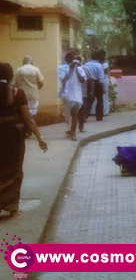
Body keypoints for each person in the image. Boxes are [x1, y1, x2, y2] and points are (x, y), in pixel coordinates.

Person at [0, 62, 47, 219]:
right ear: (10, 76)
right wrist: (39, 138)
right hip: (13, 138)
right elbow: (27, 118)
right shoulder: (17, 93)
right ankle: (12, 208)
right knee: (15, 170)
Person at [58, 52, 86, 141]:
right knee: (68, 115)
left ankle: (73, 133)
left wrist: (77, 71)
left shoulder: (79, 69)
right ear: (66, 60)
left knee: (74, 113)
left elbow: (82, 80)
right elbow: (64, 80)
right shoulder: (62, 69)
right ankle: (70, 129)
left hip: (76, 95)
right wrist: (71, 69)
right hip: (66, 95)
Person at [12, 56, 45, 120]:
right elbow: (41, 81)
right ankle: (33, 128)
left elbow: (14, 83)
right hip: (33, 95)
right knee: (33, 114)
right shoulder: (36, 69)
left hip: (22, 96)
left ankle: (27, 128)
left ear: (23, 63)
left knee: (24, 114)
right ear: (31, 62)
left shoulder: (19, 70)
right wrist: (36, 88)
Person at [81, 50, 106, 123]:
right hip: (97, 83)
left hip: (88, 83)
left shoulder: (86, 64)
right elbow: (101, 78)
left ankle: (85, 116)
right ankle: (99, 116)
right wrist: (103, 87)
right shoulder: (99, 65)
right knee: (100, 100)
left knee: (89, 100)